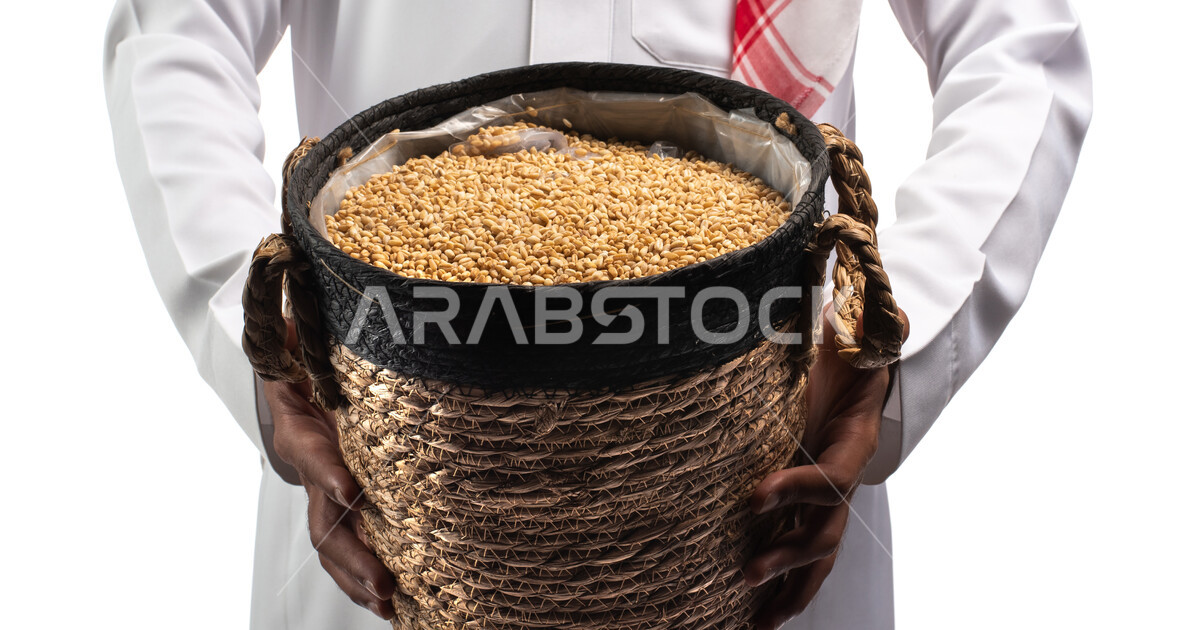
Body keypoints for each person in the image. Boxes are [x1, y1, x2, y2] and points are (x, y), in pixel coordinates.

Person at [103, 1, 1092, 628]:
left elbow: (1018, 41)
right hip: (388, 466)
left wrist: (881, 352)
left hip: (764, 488)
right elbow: (176, 26)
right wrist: (267, 346)